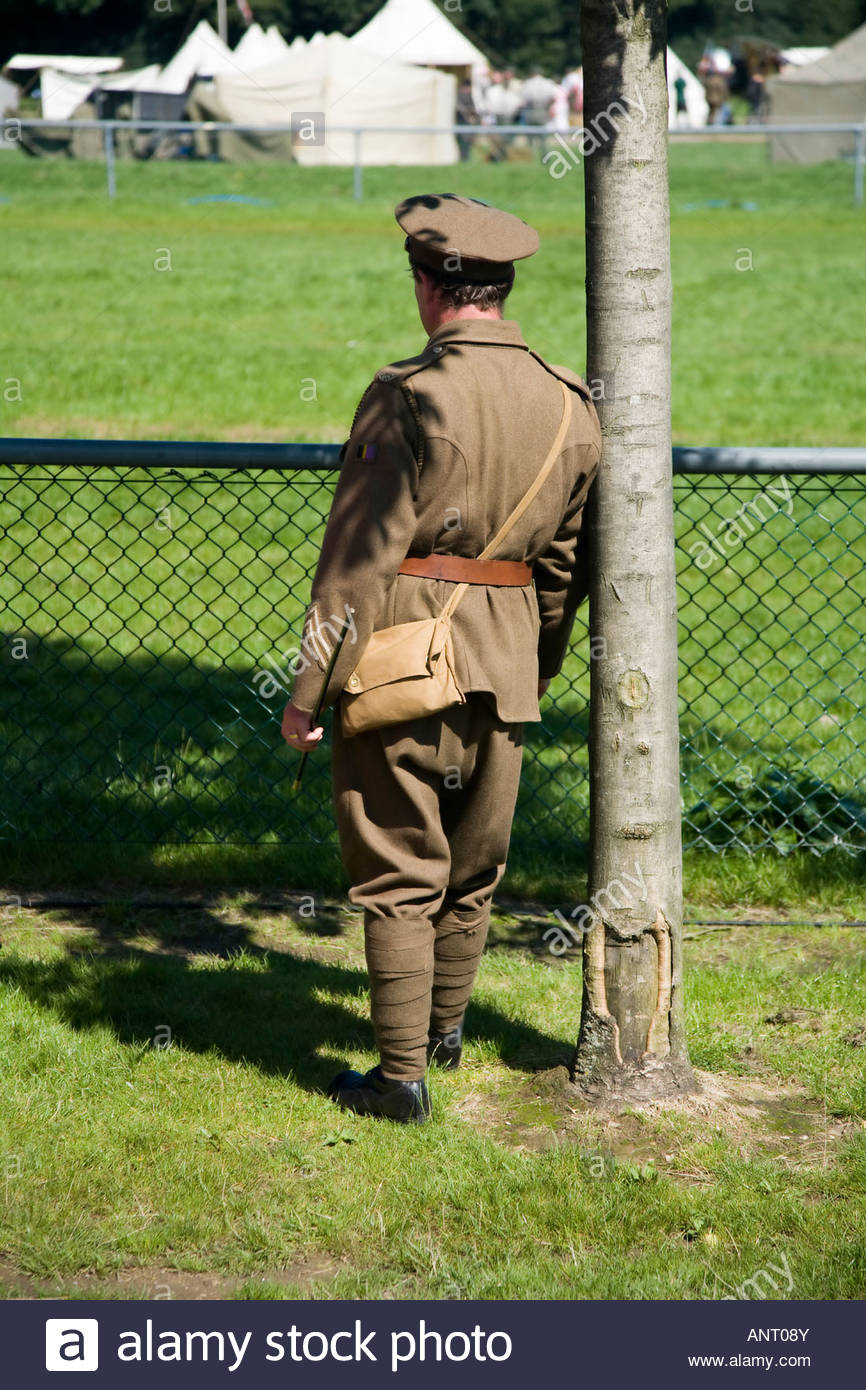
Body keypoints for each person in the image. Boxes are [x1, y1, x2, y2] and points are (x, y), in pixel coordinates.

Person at [281, 194, 602, 1124]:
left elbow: (355, 564)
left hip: (400, 657)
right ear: (500, 289)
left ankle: (398, 1077)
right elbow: (566, 569)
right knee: (471, 867)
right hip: (504, 666)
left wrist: (310, 689)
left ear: (430, 288)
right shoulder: (569, 400)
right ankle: (446, 1035)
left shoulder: (407, 394)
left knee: (395, 869)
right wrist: (531, 666)